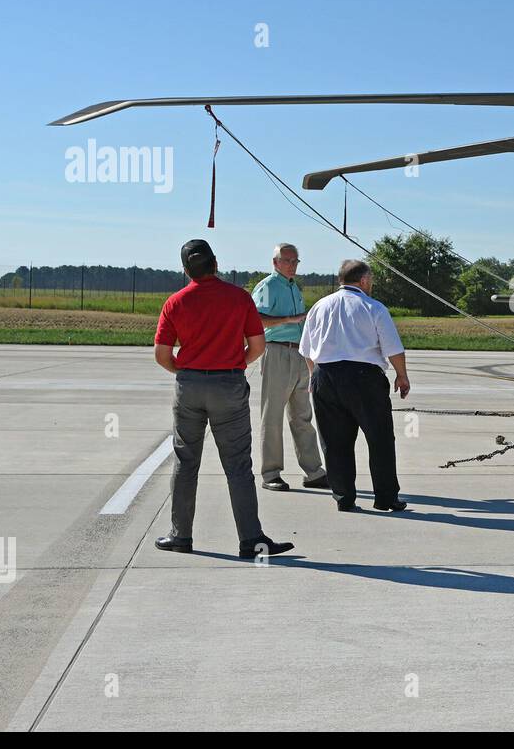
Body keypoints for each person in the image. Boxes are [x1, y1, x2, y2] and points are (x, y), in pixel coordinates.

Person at [152, 239, 295, 559]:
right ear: (215, 263)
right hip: (228, 384)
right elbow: (257, 345)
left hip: (189, 385)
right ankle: (250, 540)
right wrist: (234, 366)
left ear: (186, 270)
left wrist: (185, 371)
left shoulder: (175, 302)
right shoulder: (238, 298)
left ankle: (180, 535)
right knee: (238, 466)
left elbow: (162, 354)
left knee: (186, 461)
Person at [299, 259, 410, 513]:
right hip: (364, 377)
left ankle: (343, 497)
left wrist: (313, 378)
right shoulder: (373, 307)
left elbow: (306, 349)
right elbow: (393, 348)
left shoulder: (319, 306)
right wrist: (402, 376)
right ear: (364, 280)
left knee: (335, 441)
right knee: (379, 438)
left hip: (324, 375)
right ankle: (385, 497)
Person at [251, 243, 329, 492]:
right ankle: (271, 473)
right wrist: (288, 319)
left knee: (302, 416)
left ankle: (313, 471)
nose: (293, 265)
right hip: (277, 352)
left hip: (299, 353)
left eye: (296, 261)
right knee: (272, 415)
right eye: (288, 261)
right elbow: (255, 320)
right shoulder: (268, 286)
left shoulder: (294, 286)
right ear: (275, 262)